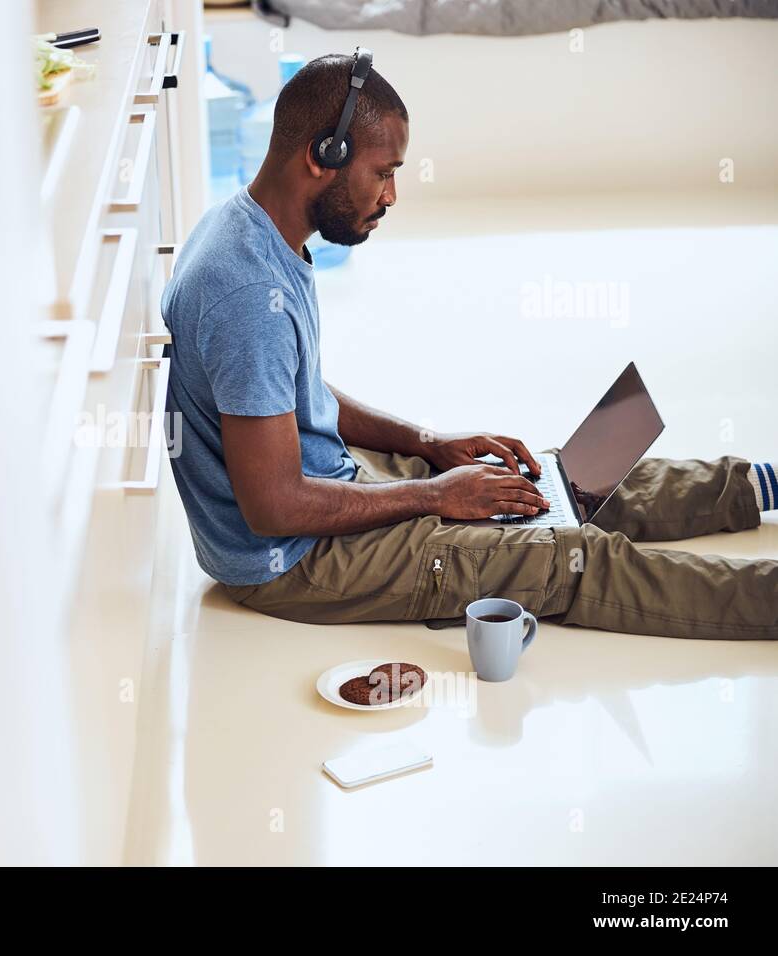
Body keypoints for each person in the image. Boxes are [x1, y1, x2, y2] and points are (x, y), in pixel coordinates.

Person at [160, 53, 777, 640]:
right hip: (297, 559)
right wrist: (431, 494)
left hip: (328, 484)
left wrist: (429, 445)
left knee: (547, 483)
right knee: (571, 557)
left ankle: (761, 484)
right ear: (324, 156)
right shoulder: (245, 292)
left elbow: (295, 391)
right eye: (383, 173)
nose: (391, 197)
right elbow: (275, 506)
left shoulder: (247, 227)